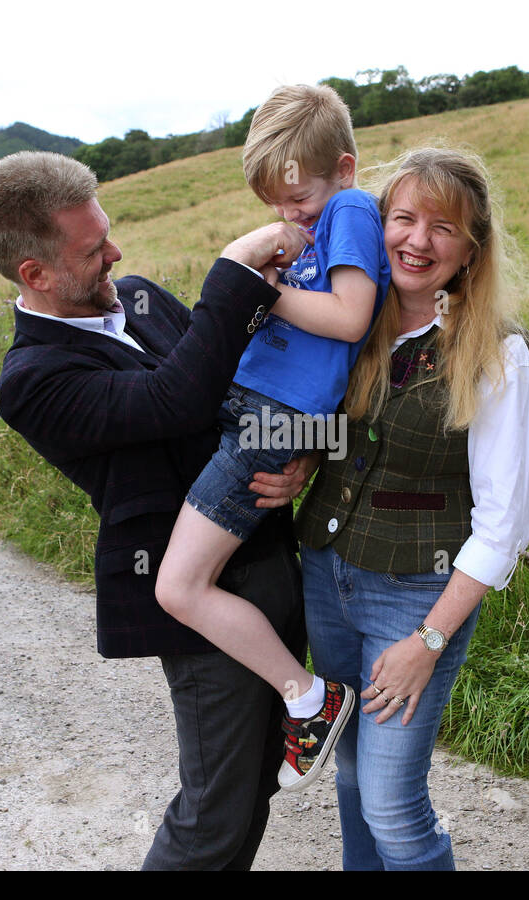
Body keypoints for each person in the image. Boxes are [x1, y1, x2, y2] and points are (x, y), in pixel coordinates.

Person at [0, 150, 315, 870]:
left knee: (254, 786)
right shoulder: (34, 380)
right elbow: (174, 400)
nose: (115, 253)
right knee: (212, 815)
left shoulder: (138, 297)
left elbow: (237, 397)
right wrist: (232, 268)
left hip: (272, 566)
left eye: (108, 232)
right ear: (34, 273)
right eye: (92, 249)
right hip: (203, 609)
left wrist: (303, 456)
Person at [295, 146, 529, 870]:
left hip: (414, 599)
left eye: (442, 227)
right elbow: (328, 421)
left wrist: (427, 642)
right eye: (402, 218)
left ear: (472, 248)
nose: (417, 240)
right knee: (346, 770)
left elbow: (504, 525)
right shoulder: (353, 321)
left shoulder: (498, 354)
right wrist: (300, 462)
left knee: (393, 808)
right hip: (326, 575)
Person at [154, 84, 390, 792]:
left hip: (271, 418)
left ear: (344, 170)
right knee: (189, 570)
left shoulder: (351, 208)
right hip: (258, 405)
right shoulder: (326, 216)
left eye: (300, 202)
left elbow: (350, 319)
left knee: (177, 586)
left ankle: (310, 698)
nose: (290, 218)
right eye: (278, 206)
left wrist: (252, 289)